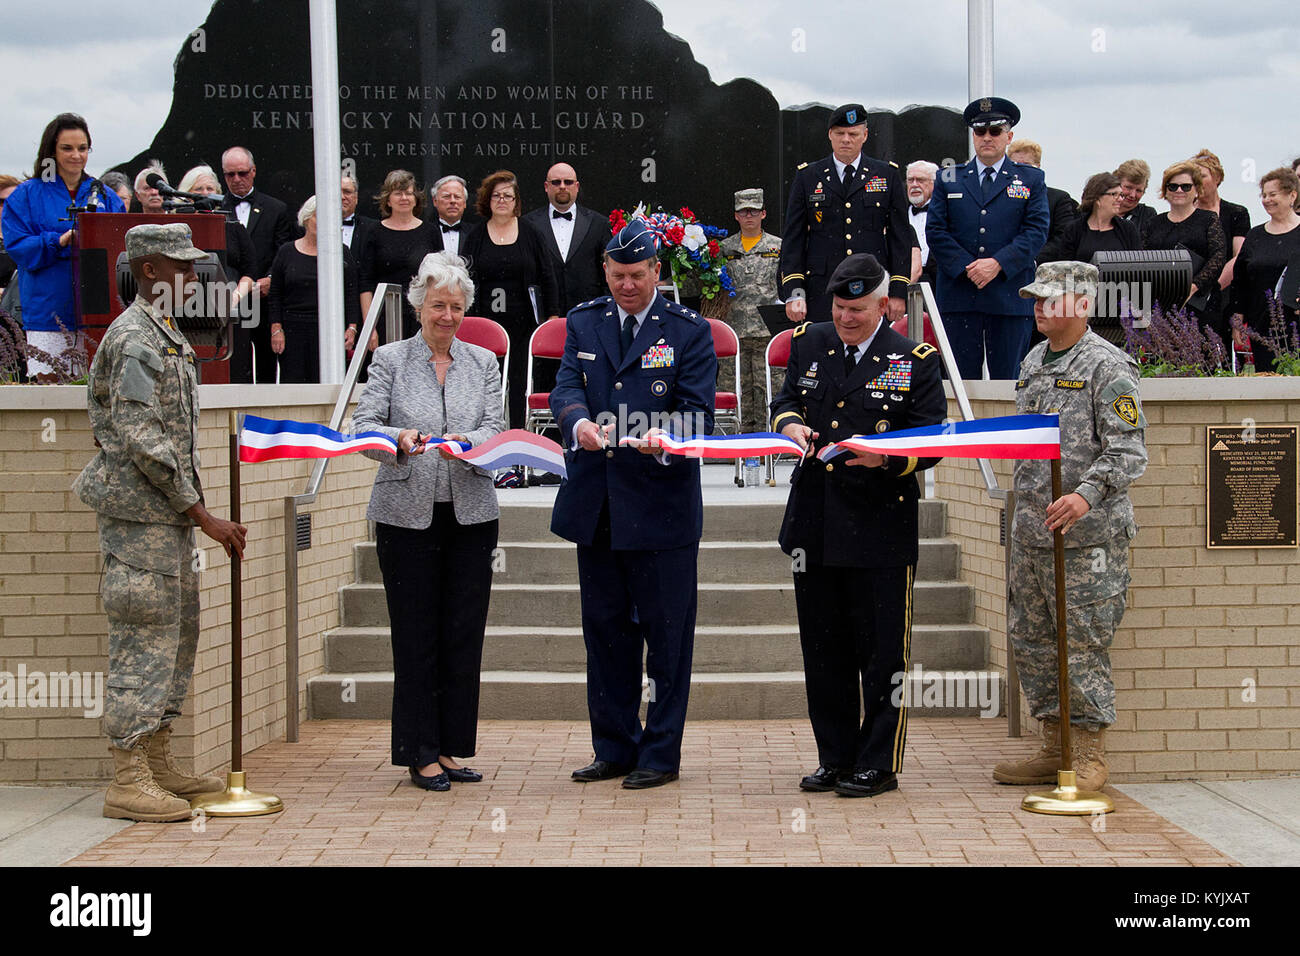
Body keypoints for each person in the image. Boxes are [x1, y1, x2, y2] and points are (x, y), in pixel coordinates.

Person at [72, 222, 247, 821]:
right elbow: (140, 436)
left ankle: (157, 758)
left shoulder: (163, 330)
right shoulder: (136, 339)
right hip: (142, 518)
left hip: (165, 520)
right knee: (142, 640)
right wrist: (201, 514)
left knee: (176, 636)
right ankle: (127, 777)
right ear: (149, 270)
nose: (191, 276)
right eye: (180, 266)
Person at [771, 253, 945, 798]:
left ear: (884, 305)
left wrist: (887, 460)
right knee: (824, 653)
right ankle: (835, 756)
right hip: (816, 523)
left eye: (858, 309)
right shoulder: (808, 341)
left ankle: (878, 762)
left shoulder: (913, 357)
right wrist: (792, 424)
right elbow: (785, 401)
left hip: (879, 524)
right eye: (839, 307)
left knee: (881, 654)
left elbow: (931, 439)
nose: (846, 318)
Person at [549, 219, 716, 789]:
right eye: (618, 276)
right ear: (605, 272)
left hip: (661, 507)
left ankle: (660, 754)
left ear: (656, 272)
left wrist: (656, 435)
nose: (627, 286)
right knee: (606, 633)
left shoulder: (689, 331)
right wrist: (576, 422)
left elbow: (699, 415)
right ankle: (614, 747)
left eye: (637, 276)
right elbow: (566, 388)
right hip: (598, 507)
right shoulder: (583, 321)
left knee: (668, 640)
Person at [352, 251, 504, 791]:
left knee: (463, 633)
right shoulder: (390, 360)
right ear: (419, 305)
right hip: (405, 515)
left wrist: (469, 446)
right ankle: (419, 752)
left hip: (471, 513)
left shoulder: (484, 362)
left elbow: (496, 428)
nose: (447, 315)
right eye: (438, 304)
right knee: (415, 635)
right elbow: (363, 427)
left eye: (456, 307)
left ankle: (453, 746)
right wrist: (399, 440)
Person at [993, 261, 1147, 792]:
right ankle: (1052, 745)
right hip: (1033, 534)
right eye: (1035, 299)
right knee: (1033, 640)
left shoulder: (1109, 365)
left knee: (1080, 641)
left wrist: (1084, 496)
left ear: (1082, 305)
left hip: (1087, 541)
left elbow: (1128, 451)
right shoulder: (1035, 358)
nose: (1038, 308)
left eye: (1049, 300)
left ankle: (1087, 754)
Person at [926, 96, 1049, 379]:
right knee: (961, 383)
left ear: (1009, 136)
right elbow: (936, 230)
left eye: (995, 131)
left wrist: (997, 263)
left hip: (1008, 295)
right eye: (980, 131)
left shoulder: (1030, 180)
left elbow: (1035, 230)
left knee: (1008, 383)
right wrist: (967, 266)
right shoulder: (948, 177)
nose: (987, 138)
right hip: (960, 294)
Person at [1, 113, 126, 382]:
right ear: (51, 151)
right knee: (52, 399)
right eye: (67, 148)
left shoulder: (107, 196)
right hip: (48, 317)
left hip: (100, 316)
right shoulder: (26, 195)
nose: (76, 156)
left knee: (101, 396)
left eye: (82, 148)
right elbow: (17, 246)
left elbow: (122, 249)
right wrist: (57, 241)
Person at [781, 104, 911, 326]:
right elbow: (794, 238)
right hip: (822, 289)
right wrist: (794, 292)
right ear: (830, 135)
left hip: (871, 285)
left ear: (865, 135)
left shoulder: (886, 174)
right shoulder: (808, 176)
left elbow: (900, 237)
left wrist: (898, 291)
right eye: (840, 133)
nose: (846, 139)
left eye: (853, 134)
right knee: (825, 353)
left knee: (872, 355)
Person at [461, 170, 559, 432]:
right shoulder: (475, 236)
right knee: (485, 382)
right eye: (496, 196)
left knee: (519, 382)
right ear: (487, 200)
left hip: (523, 323)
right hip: (485, 324)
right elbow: (465, 279)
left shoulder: (531, 233)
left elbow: (547, 275)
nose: (502, 200)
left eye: (508, 196)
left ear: (516, 201)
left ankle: (517, 436)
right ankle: (484, 435)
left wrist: (551, 315)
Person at [220, 146, 296, 383]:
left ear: (253, 172)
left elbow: (283, 251)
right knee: (231, 363)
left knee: (266, 363)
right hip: (228, 300)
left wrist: (271, 279)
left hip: (264, 301)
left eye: (242, 173)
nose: (237, 180)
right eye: (230, 175)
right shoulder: (215, 210)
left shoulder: (276, 209)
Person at [267, 195, 362, 383]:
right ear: (306, 217)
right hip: (293, 328)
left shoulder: (341, 252)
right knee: (294, 386)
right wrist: (276, 329)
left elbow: (351, 292)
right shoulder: (286, 251)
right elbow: (275, 294)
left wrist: (352, 327)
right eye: (319, 216)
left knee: (328, 386)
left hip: (330, 328)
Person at [718, 187, 782, 433]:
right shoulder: (724, 249)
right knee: (734, 386)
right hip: (734, 330)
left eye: (754, 211)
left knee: (770, 386)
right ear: (735, 216)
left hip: (767, 330)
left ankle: (773, 439)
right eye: (743, 212)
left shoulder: (778, 246)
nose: (749, 216)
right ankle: (734, 440)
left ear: (763, 213)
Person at [358, 169, 442, 347]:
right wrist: (369, 328)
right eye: (398, 193)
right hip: (384, 316)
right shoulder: (374, 232)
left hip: (422, 315)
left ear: (416, 198)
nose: (404, 198)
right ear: (388, 200)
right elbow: (366, 283)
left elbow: (440, 278)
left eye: (409, 193)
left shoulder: (431, 232)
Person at [1228, 168, 1300, 373]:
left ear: (1292, 195)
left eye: (1273, 194)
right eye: (1264, 195)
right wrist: (1237, 321)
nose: (1267, 200)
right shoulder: (1255, 235)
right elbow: (1240, 282)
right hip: (1262, 327)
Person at [1141, 161, 1227, 327]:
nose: (1179, 190)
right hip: (1160, 304)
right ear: (1165, 191)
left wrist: (1193, 286)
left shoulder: (1208, 219)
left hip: (1199, 304)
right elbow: (1142, 259)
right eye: (1173, 186)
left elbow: (1218, 257)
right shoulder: (1153, 223)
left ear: (1196, 190)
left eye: (1186, 186)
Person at [523, 162, 607, 318]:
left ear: (576, 186)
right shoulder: (528, 224)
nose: (562, 186)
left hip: (589, 315)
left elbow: (606, 272)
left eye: (567, 182)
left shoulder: (599, 223)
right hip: (544, 317)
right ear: (546, 186)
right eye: (556, 182)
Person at [175, 164, 257, 317]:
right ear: (186, 194)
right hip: (183, 308)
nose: (205, 193)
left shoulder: (232, 224)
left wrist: (235, 297)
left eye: (210, 189)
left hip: (228, 308)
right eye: (198, 189)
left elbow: (250, 269)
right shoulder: (176, 228)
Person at [1192, 148, 1251, 334]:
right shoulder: (1184, 213)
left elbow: (1239, 255)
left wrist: (1213, 286)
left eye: (1202, 176)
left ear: (1217, 178)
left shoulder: (1236, 213)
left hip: (1225, 293)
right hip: (1190, 294)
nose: (1197, 182)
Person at [1004, 139, 1081, 265]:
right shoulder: (998, 198)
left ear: (1038, 166)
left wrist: (1029, 260)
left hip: (1042, 269)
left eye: (1027, 165)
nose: (1021, 170)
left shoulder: (1059, 199)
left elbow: (1063, 238)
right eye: (1016, 165)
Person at [1055, 173, 1142, 262]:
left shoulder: (1128, 229)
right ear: (1097, 198)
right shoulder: (1074, 230)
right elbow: (1066, 269)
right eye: (1114, 194)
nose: (1120, 199)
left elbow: (1138, 265)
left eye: (1121, 195)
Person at [905, 161, 938, 285]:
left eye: (920, 180)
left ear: (933, 184)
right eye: (910, 180)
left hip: (935, 284)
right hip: (904, 281)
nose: (914, 185)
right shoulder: (897, 212)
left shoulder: (945, 213)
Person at [341, 173, 378, 266]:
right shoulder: (313, 227)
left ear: (356, 197)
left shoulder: (373, 228)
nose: (341, 197)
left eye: (347, 192)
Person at [1113, 159, 1158, 235]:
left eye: (1139, 190)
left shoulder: (1147, 215)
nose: (1132, 195)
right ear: (1115, 185)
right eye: (1128, 187)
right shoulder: (1098, 212)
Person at [429, 175, 470, 258]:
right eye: (447, 196)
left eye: (457, 196)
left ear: (464, 203)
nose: (452, 201)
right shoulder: (425, 232)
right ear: (435, 201)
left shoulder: (475, 233)